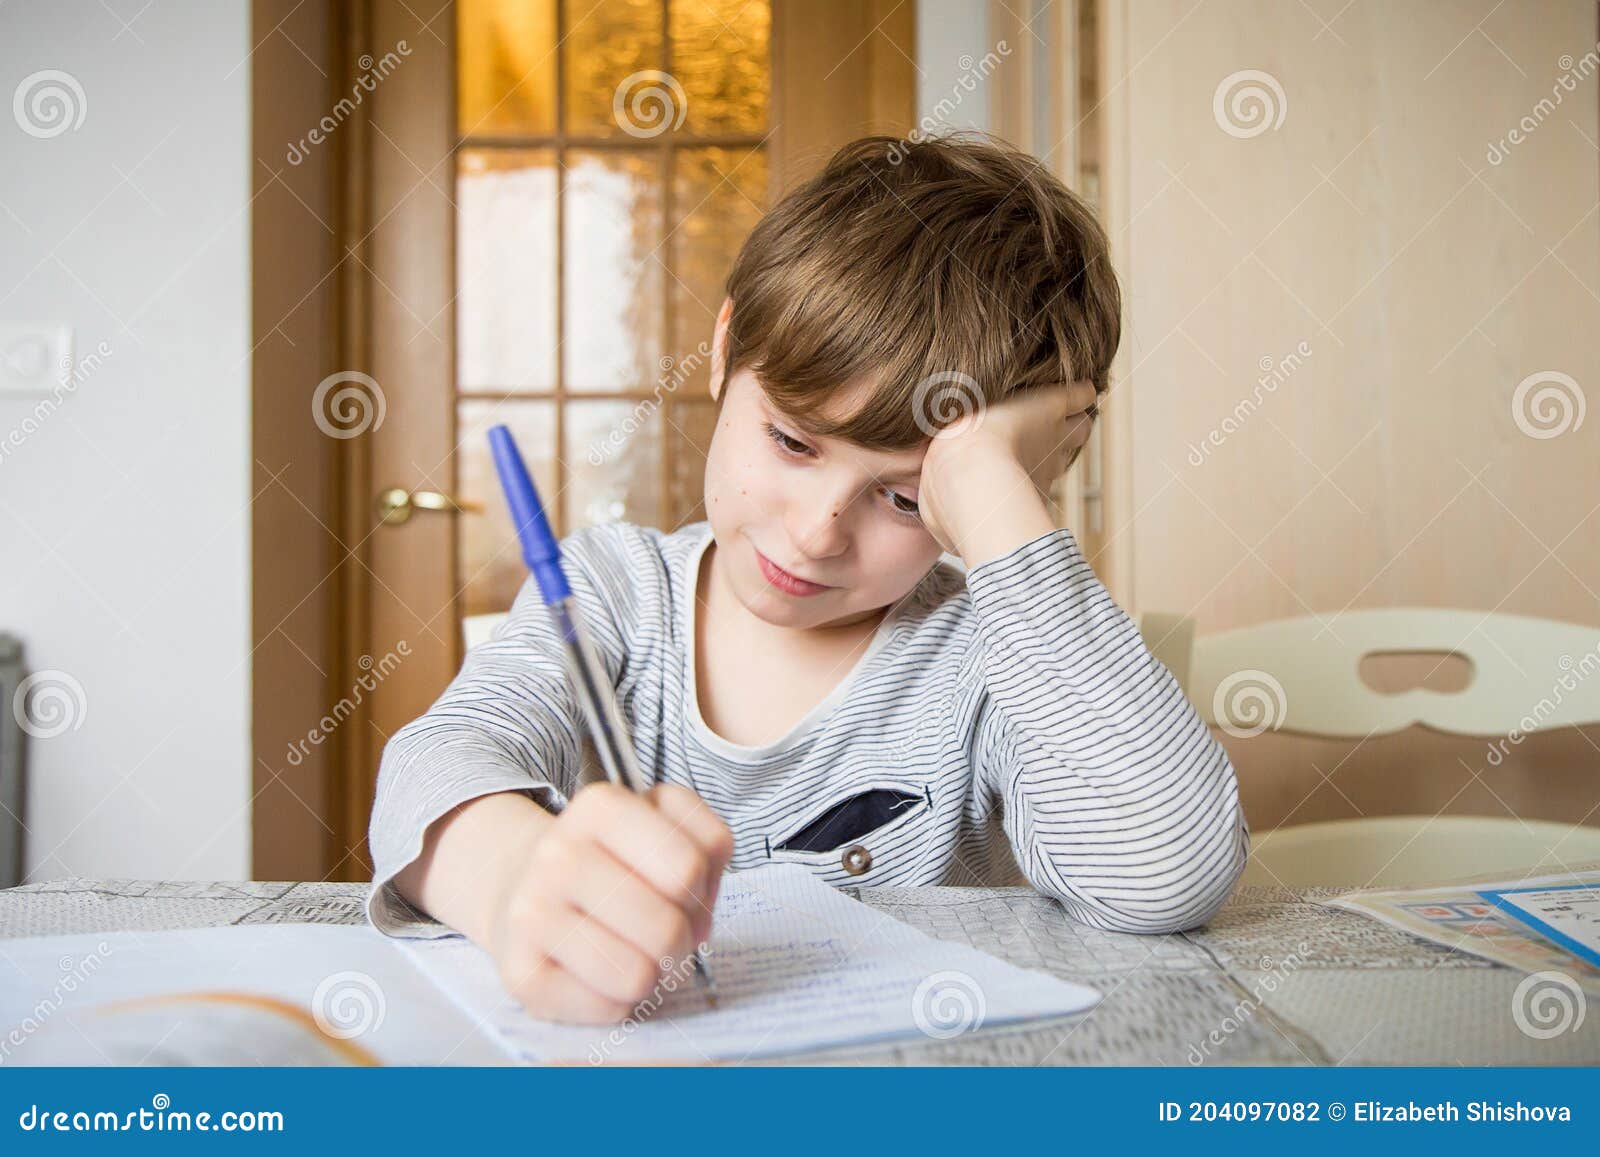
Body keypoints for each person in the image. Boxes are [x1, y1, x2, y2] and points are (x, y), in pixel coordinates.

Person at [367, 133, 1248, 1025]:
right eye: (792, 442)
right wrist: (512, 871)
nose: (816, 532)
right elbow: (431, 767)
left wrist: (995, 491)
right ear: (723, 348)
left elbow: (1164, 871)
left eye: (905, 497)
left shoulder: (995, 655)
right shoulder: (612, 591)